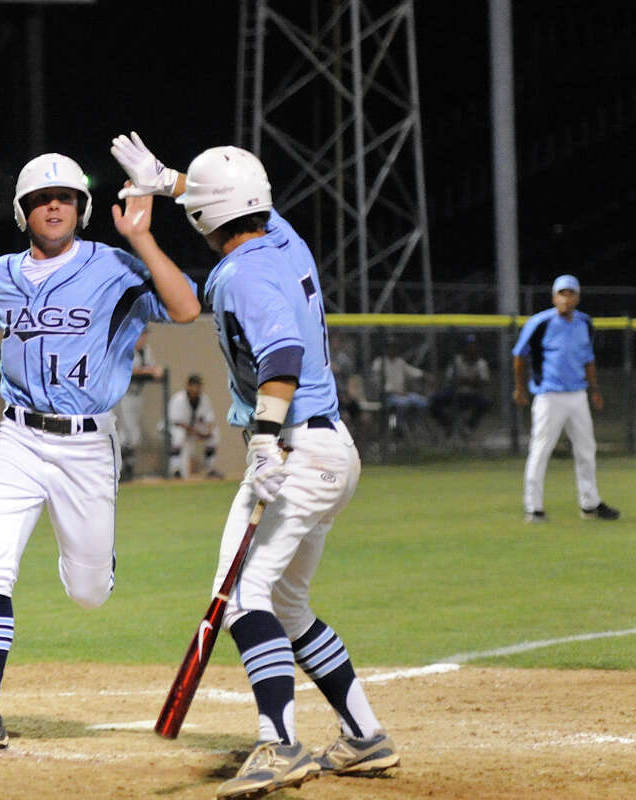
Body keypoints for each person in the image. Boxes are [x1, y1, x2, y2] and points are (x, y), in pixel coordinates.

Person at [0, 151, 200, 759]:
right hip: (19, 438)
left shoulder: (114, 265)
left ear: (80, 208)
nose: (53, 205)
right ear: (23, 213)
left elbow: (185, 308)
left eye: (65, 197)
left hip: (86, 446)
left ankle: (96, 559)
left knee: (88, 594)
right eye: (40, 199)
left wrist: (144, 237)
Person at [111, 132, 397, 796]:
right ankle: (365, 737)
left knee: (245, 601)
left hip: (295, 447)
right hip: (325, 448)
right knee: (287, 604)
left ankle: (281, 744)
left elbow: (283, 358)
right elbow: (228, 197)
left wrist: (266, 440)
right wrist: (168, 178)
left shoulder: (237, 276)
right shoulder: (285, 238)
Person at [512, 274, 619, 523]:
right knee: (541, 450)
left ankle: (590, 505)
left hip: (577, 394)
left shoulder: (584, 323)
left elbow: (588, 359)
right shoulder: (540, 322)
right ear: (554, 297)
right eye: (562, 293)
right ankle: (533, 508)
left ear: (578, 297)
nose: (566, 298)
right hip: (549, 395)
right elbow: (519, 355)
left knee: (586, 449)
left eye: (571, 293)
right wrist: (520, 388)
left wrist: (595, 389)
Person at [116, 329, 163, 479]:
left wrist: (152, 370)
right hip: (124, 396)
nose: (143, 338)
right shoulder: (126, 348)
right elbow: (126, 370)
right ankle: (122, 469)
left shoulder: (145, 351)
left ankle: (126, 468)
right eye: (141, 335)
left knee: (134, 436)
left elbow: (155, 369)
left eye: (144, 335)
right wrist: (147, 371)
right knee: (126, 433)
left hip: (138, 395)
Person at [431, 334, 492, 437]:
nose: (472, 348)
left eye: (474, 345)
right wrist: (469, 380)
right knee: (434, 401)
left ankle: (469, 426)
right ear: (464, 347)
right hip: (455, 393)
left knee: (486, 402)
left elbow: (483, 382)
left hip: (472, 395)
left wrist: (466, 381)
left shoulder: (481, 363)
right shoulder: (456, 360)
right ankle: (447, 425)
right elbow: (451, 379)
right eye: (469, 345)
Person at [167, 373, 222, 479]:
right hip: (173, 430)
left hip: (193, 430)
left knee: (215, 434)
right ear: (188, 386)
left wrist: (208, 431)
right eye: (194, 385)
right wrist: (198, 432)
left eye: (199, 385)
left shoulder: (204, 399)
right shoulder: (179, 399)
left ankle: (210, 468)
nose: (197, 388)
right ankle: (175, 469)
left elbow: (209, 419)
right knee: (179, 434)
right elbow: (177, 422)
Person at [370, 337, 428, 435]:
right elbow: (376, 383)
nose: (393, 349)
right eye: (390, 347)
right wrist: (393, 391)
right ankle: (398, 429)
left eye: (394, 347)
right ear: (385, 348)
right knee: (402, 404)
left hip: (403, 395)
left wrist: (425, 375)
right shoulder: (379, 363)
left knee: (423, 402)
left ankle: (412, 426)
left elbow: (412, 372)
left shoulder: (399, 362)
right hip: (387, 396)